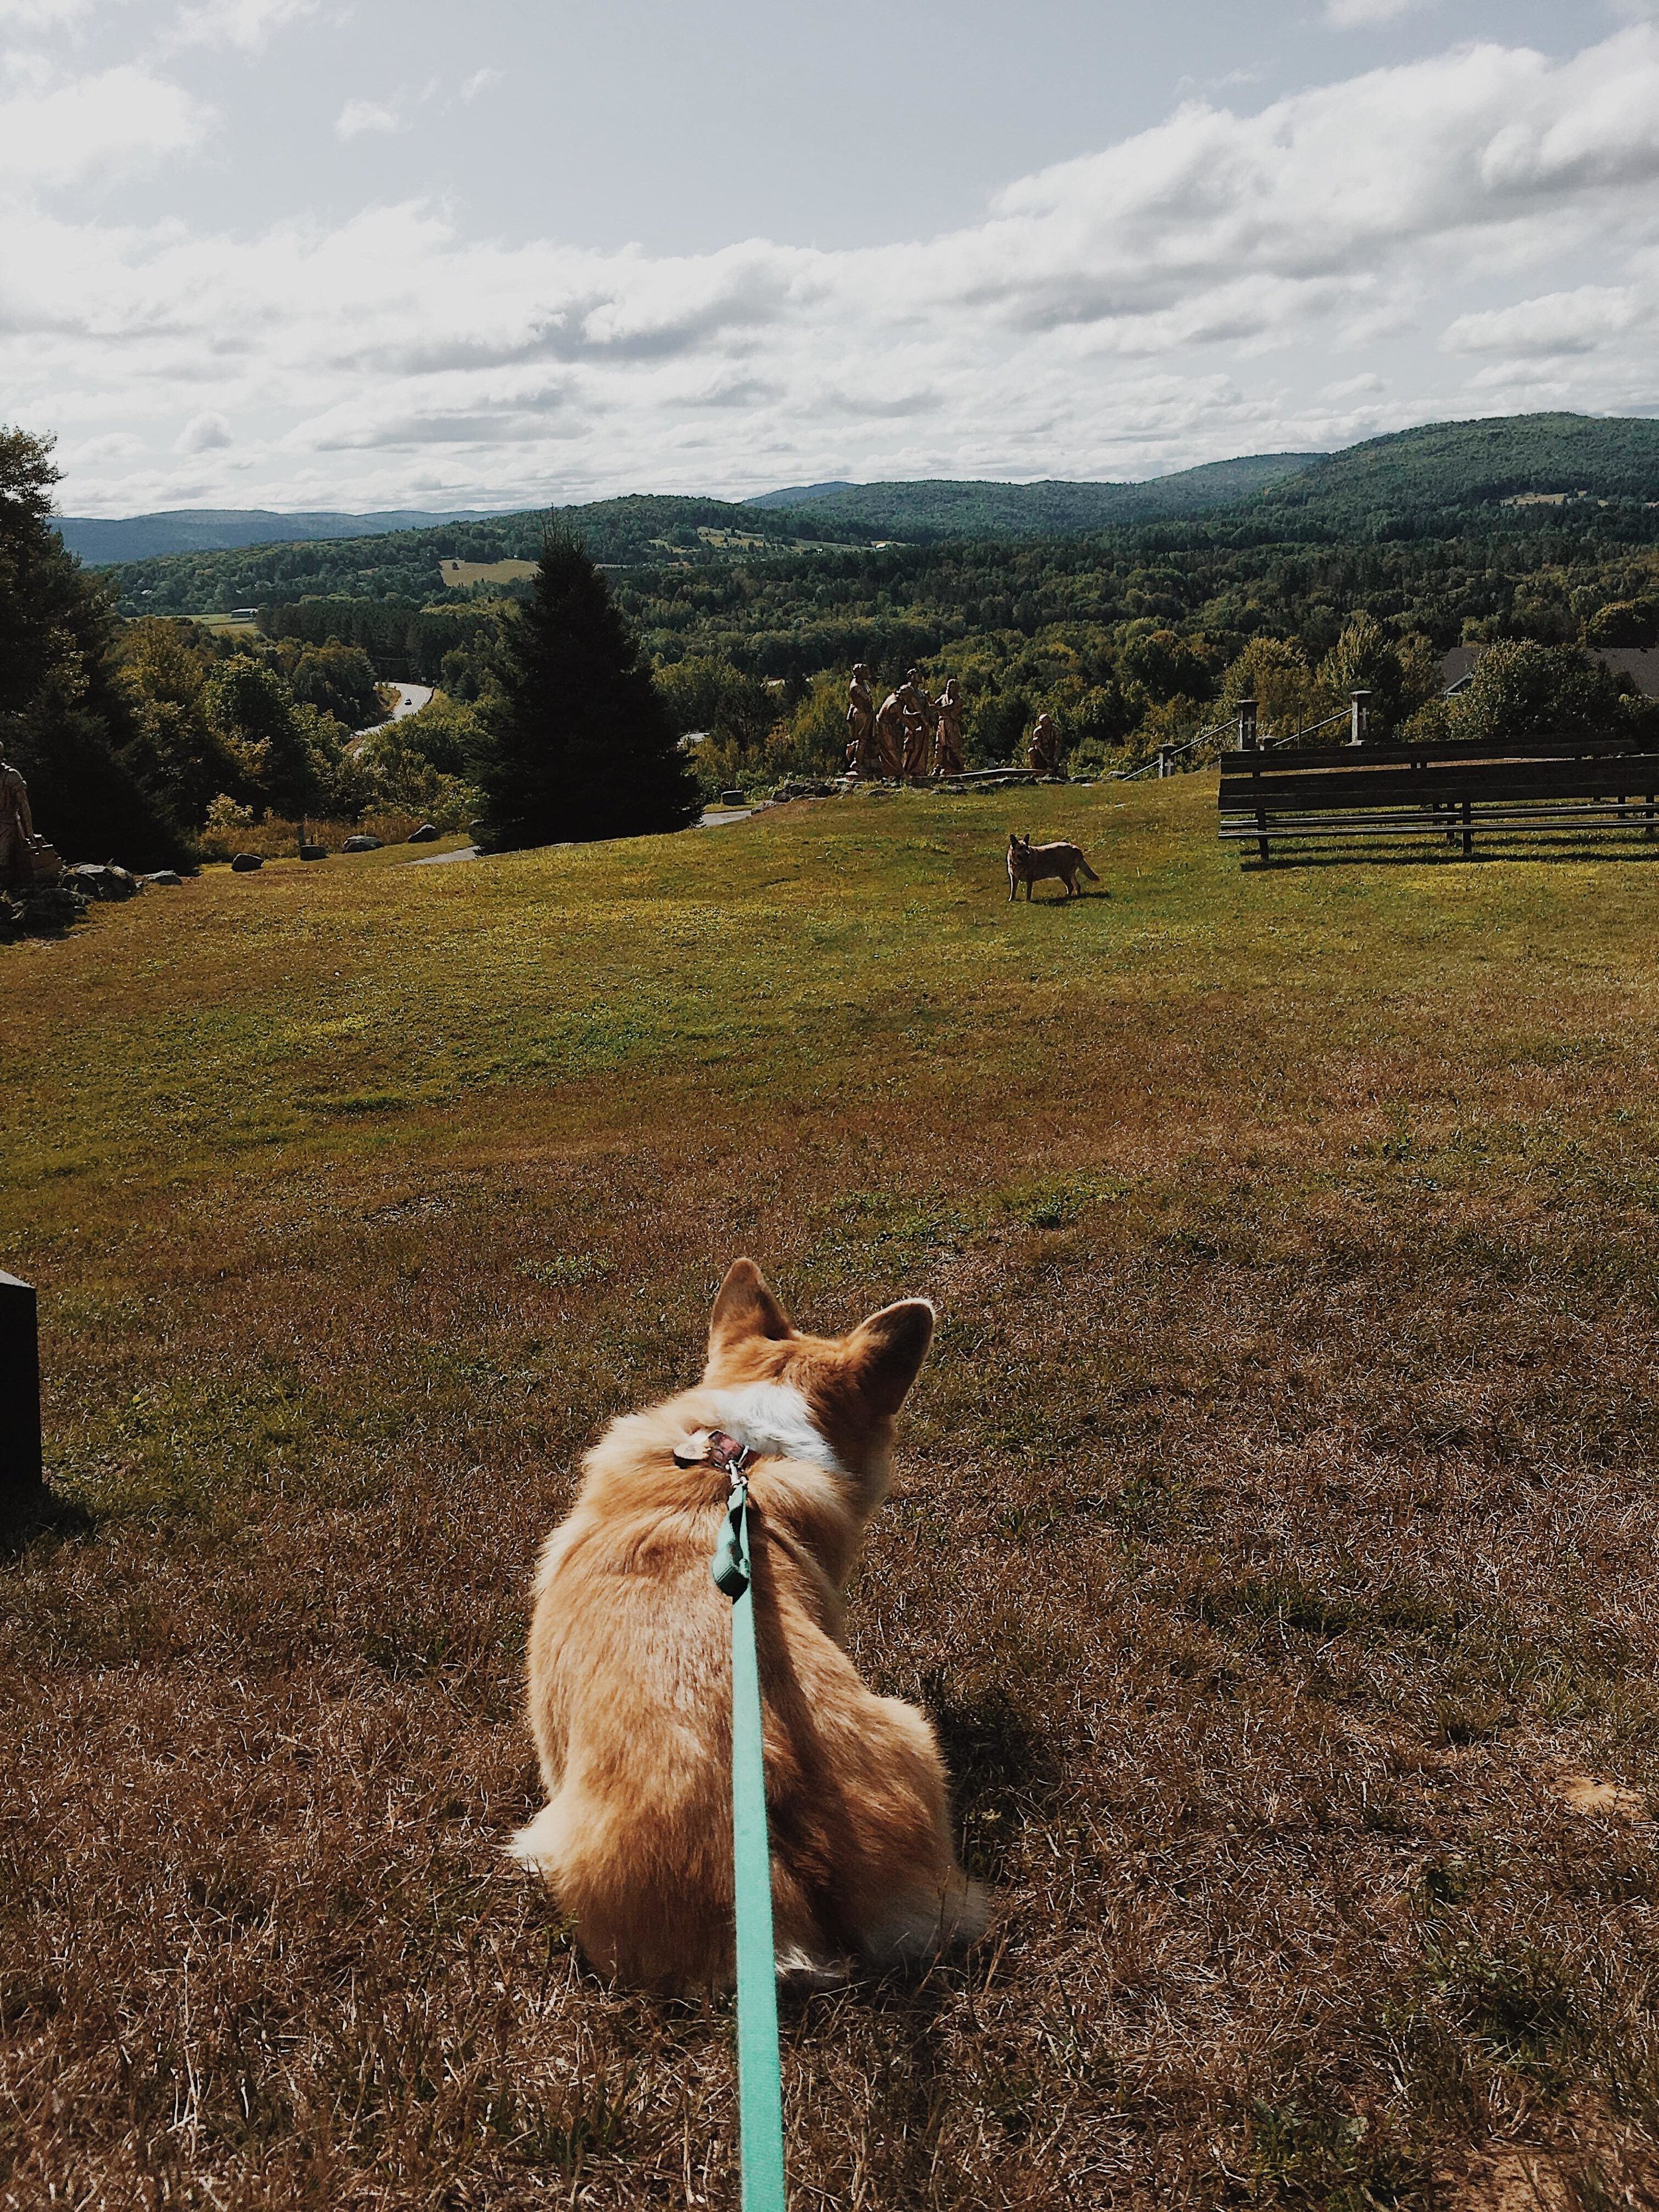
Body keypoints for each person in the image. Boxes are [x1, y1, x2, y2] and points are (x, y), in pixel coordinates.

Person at [0, 756, 37, 893]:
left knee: (3, 858)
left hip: (9, 823)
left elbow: (24, 805)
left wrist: (29, 832)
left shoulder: (11, 776)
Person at [900, 668, 933, 780]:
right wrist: (924, 721)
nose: (920, 676)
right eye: (917, 675)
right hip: (914, 724)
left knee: (922, 748)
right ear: (912, 676)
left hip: (923, 723)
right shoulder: (909, 690)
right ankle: (909, 769)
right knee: (912, 747)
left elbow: (925, 707)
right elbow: (912, 707)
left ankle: (920, 770)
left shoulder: (920, 692)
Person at [845, 663, 877, 776]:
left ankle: (867, 762)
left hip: (867, 713)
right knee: (862, 739)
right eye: (865, 672)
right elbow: (866, 699)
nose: (867, 674)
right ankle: (857, 763)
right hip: (861, 714)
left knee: (867, 739)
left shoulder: (863, 684)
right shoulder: (856, 686)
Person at [933, 678, 965, 777]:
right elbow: (934, 705)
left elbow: (950, 707)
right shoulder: (943, 697)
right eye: (948, 687)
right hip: (942, 724)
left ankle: (959, 766)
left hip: (951, 725)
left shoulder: (959, 700)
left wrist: (938, 709)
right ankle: (938, 767)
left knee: (954, 747)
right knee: (939, 747)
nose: (949, 689)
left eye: (952, 688)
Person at [1028, 712, 1062, 778]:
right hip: (1041, 755)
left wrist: (1055, 758)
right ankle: (1035, 771)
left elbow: (1057, 745)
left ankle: (1055, 769)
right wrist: (1046, 759)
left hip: (1052, 754)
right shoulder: (1038, 732)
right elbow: (1038, 747)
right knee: (1031, 751)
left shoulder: (1055, 731)